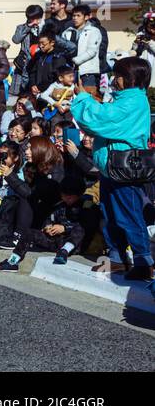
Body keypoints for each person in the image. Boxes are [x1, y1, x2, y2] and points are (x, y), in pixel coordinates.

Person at [70, 56, 153, 281]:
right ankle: (116, 259)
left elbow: (101, 120)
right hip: (112, 169)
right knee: (110, 215)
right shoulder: (124, 99)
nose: (115, 80)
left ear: (130, 78)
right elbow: (99, 122)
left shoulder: (133, 102)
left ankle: (144, 261)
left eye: (119, 76)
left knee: (129, 216)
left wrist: (84, 99)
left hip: (125, 170)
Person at [0, 183, 90, 272]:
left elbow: (87, 225)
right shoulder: (60, 206)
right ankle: (13, 261)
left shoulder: (86, 207)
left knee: (79, 229)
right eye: (64, 197)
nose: (66, 200)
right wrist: (48, 226)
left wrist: (65, 228)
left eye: (70, 198)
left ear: (78, 196)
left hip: (73, 244)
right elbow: (50, 218)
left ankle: (64, 251)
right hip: (55, 241)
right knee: (29, 233)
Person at [67, 4, 103, 99]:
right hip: (69, 72)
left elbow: (92, 51)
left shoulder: (94, 31)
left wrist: (75, 60)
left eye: (78, 15)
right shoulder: (68, 32)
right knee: (71, 100)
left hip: (88, 72)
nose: (75, 18)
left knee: (89, 99)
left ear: (87, 17)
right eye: (73, 16)